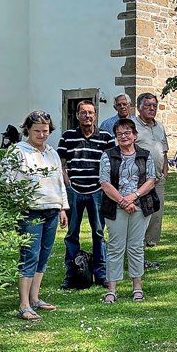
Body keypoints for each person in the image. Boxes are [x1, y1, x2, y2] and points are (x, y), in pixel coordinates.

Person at [3, 110, 69, 320]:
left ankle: (35, 298)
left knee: (44, 254)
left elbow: (60, 182)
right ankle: (23, 304)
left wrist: (63, 207)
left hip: (52, 208)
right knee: (29, 254)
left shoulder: (52, 152)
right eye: (37, 131)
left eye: (45, 131)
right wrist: (19, 203)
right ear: (27, 130)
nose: (41, 135)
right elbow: (7, 180)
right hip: (30, 211)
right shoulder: (17, 152)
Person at [99, 118, 157, 304]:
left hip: (140, 206)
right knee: (115, 247)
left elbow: (150, 180)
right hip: (116, 207)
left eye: (127, 133)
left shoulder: (144, 155)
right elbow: (105, 183)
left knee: (136, 247)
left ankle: (137, 287)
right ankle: (112, 289)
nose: (123, 136)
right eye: (119, 134)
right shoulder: (108, 155)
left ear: (134, 135)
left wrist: (134, 196)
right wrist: (123, 201)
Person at [57, 100, 113, 288]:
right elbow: (62, 162)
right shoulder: (68, 136)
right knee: (72, 233)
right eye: (83, 113)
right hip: (75, 191)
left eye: (90, 113)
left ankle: (101, 273)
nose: (87, 116)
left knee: (98, 232)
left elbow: (110, 164)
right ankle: (72, 273)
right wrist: (67, 181)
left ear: (95, 115)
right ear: (77, 115)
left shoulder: (105, 137)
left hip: (97, 191)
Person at [131, 93, 170, 256]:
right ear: (139, 107)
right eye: (147, 105)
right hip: (139, 180)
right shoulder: (132, 125)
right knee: (139, 216)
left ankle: (146, 246)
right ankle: (136, 250)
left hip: (158, 180)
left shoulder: (159, 126)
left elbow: (164, 151)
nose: (151, 108)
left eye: (154, 105)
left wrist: (165, 170)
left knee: (155, 214)